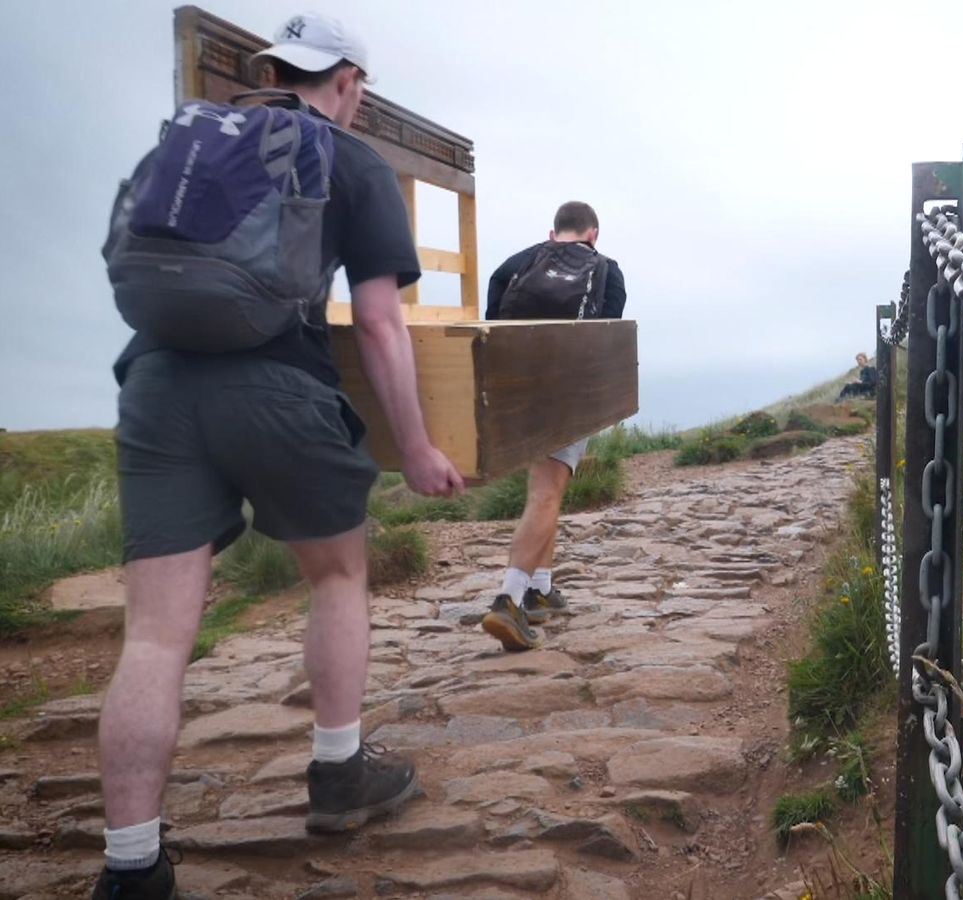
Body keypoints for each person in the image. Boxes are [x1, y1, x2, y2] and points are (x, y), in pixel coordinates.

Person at [93, 13, 464, 898]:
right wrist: (411, 446)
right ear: (349, 84)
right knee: (336, 577)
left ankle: (131, 864)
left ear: (270, 72)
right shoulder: (350, 157)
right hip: (277, 385)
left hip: (157, 383)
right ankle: (339, 775)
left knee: (152, 636)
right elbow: (378, 321)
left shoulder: (184, 143)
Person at [479, 201, 627, 651]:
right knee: (546, 493)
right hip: (566, 394)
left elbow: (493, 324)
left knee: (546, 491)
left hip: (513, 390)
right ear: (593, 234)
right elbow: (606, 334)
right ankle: (509, 598)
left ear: (552, 233)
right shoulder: (606, 269)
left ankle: (540, 586)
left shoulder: (518, 262)